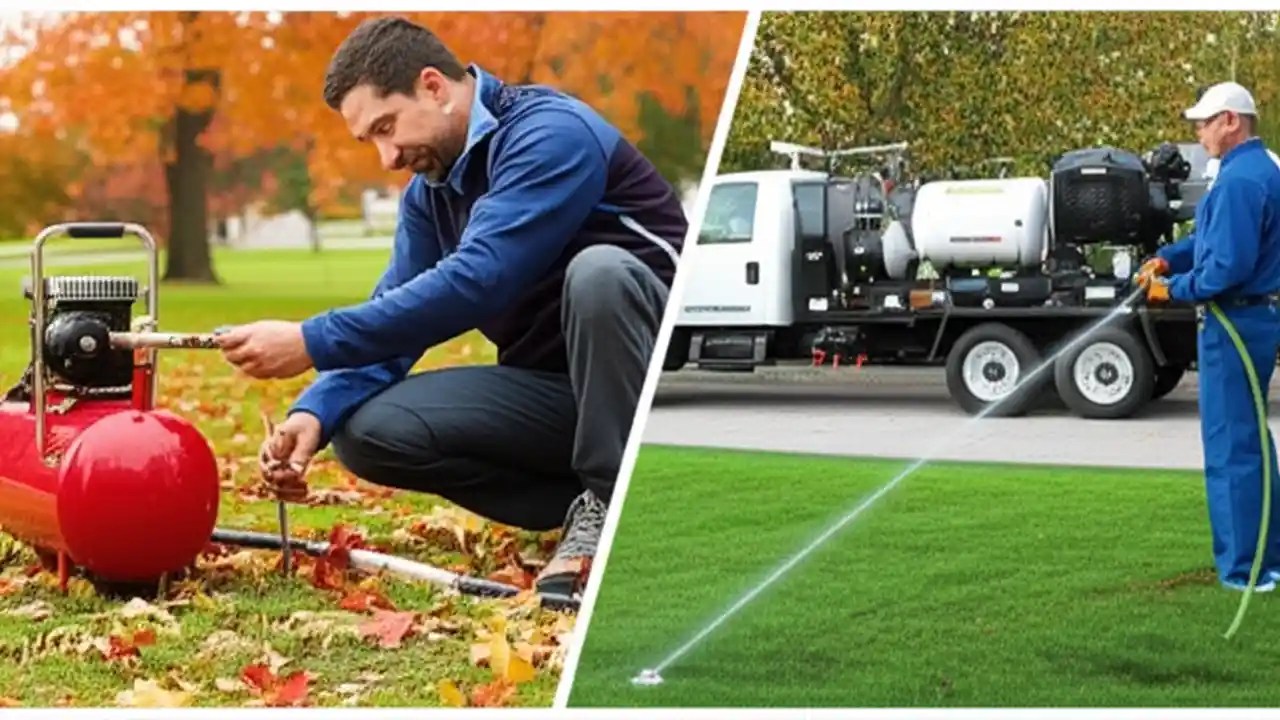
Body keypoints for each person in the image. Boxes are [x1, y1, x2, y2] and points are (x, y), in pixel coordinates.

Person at [214, 16, 687, 596]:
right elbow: (398, 311)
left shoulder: (551, 135)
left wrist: (310, 340)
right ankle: (588, 502)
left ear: (433, 86)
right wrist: (313, 413)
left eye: (387, 127)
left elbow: (480, 278)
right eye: (370, 140)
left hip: (652, 390)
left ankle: (612, 499)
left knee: (600, 273)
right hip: (557, 394)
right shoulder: (431, 194)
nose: (387, 158)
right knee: (366, 431)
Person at [1138, 81, 1280, 592]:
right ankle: (1269, 557)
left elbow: (1225, 268)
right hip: (1252, 318)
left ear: (1231, 121)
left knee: (1230, 447)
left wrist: (1171, 288)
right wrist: (1167, 258)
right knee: (1251, 440)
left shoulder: (1241, 181)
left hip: (1233, 321)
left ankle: (1245, 571)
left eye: (1204, 123)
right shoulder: (1256, 170)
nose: (1199, 134)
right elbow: (1210, 239)